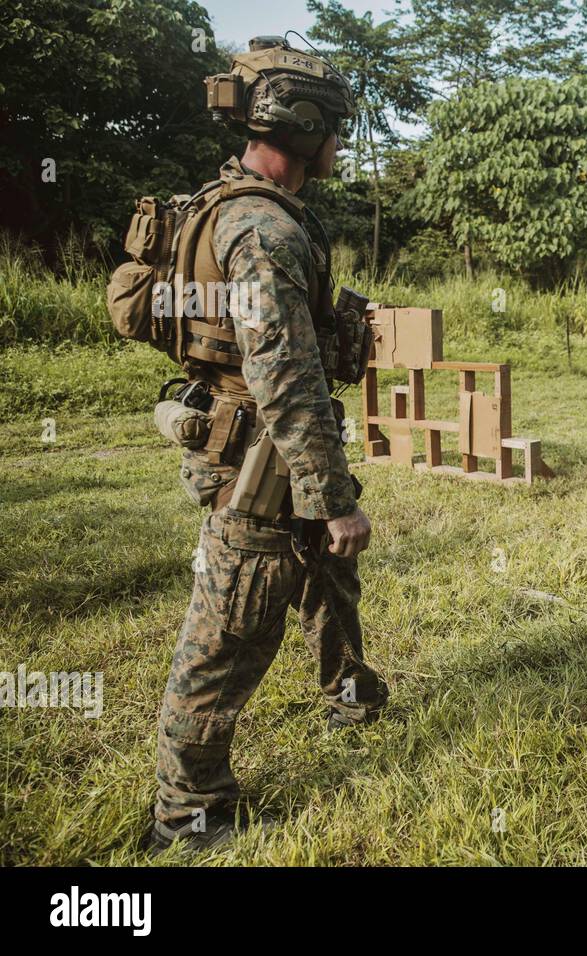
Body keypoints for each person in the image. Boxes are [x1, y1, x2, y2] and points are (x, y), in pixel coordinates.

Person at [147, 36, 387, 853]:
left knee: (328, 575)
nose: (341, 145)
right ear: (304, 123)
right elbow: (283, 372)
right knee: (228, 634)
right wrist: (332, 497)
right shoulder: (263, 230)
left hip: (261, 438)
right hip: (263, 457)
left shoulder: (230, 202)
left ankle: (350, 693)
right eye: (336, 128)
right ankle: (189, 811)